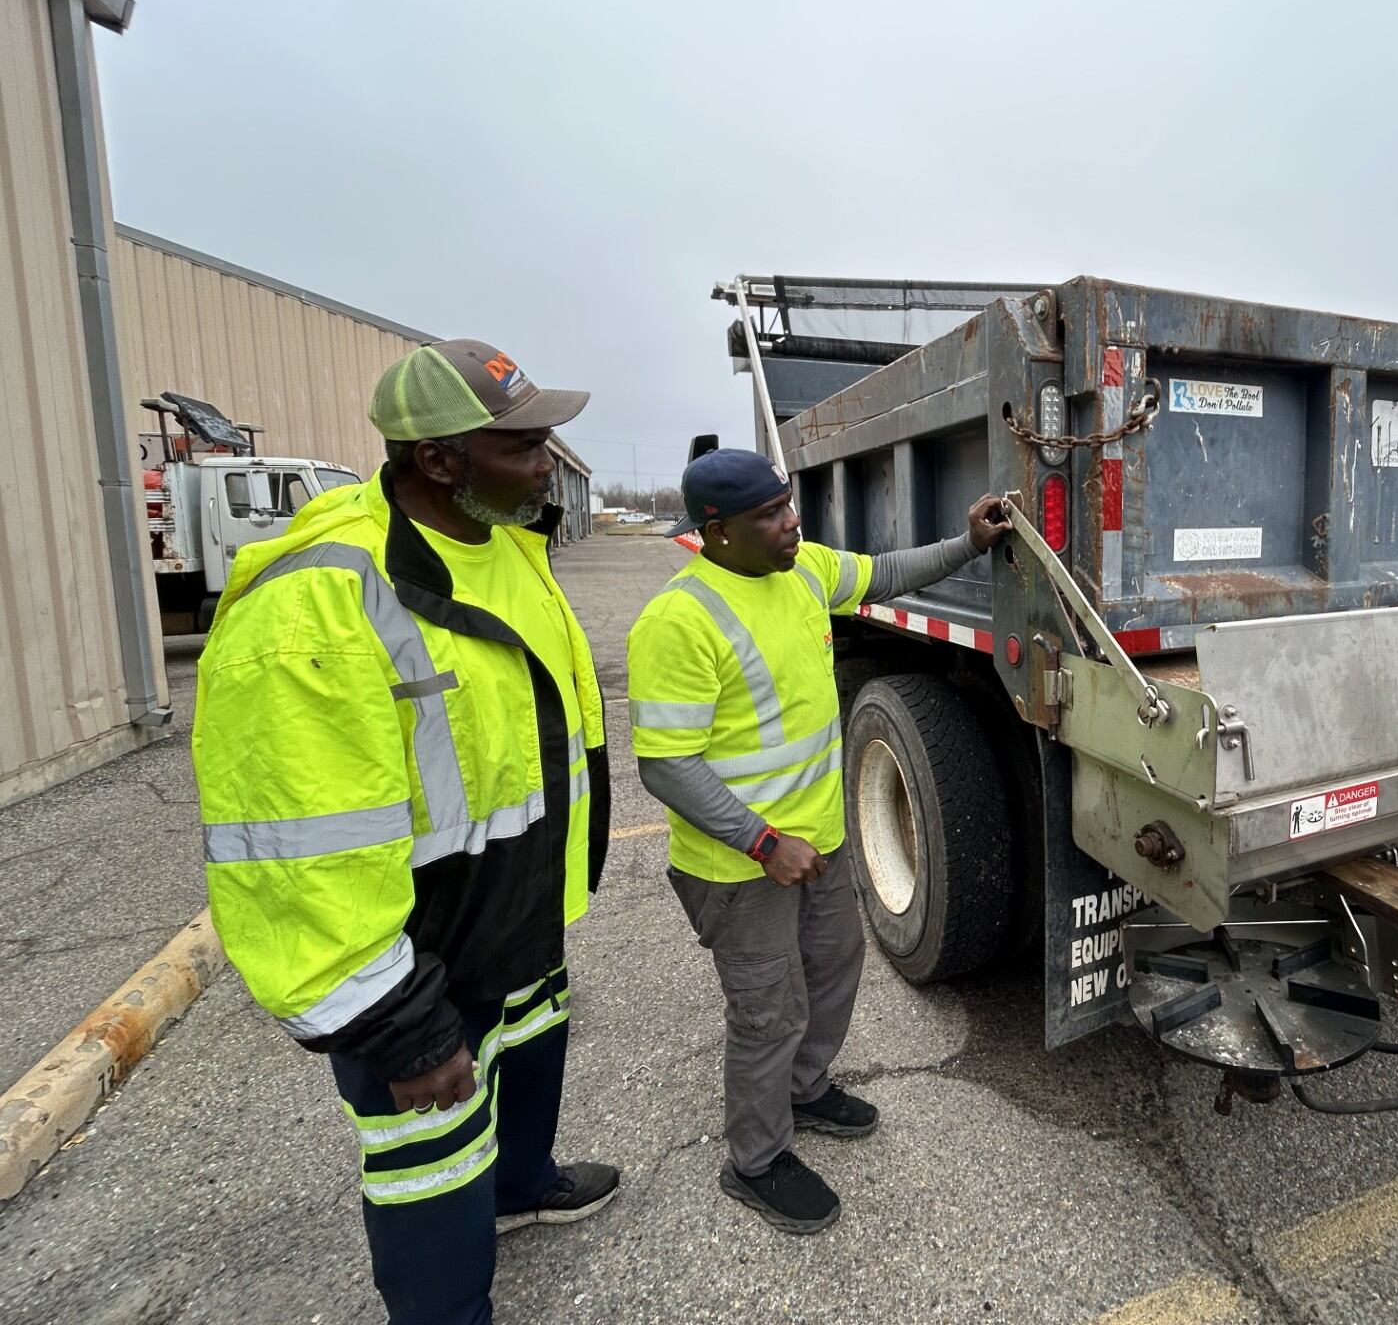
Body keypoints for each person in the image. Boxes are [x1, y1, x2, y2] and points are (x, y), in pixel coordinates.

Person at [194, 340, 617, 1325]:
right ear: (437, 460)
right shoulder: (317, 603)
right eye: (523, 445)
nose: (548, 461)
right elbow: (301, 861)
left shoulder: (503, 539)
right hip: (417, 965)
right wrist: (397, 1023)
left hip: (516, 919)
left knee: (523, 1077)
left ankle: (522, 1186)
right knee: (427, 1170)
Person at [627, 448, 1009, 1235]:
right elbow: (666, 766)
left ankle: (805, 1088)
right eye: (769, 515)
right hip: (740, 866)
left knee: (834, 967)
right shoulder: (680, 619)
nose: (791, 522)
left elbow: (884, 573)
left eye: (789, 505)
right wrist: (762, 843)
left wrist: (967, 543)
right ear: (715, 530)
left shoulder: (802, 571)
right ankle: (756, 1159)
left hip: (819, 844)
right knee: (768, 1009)